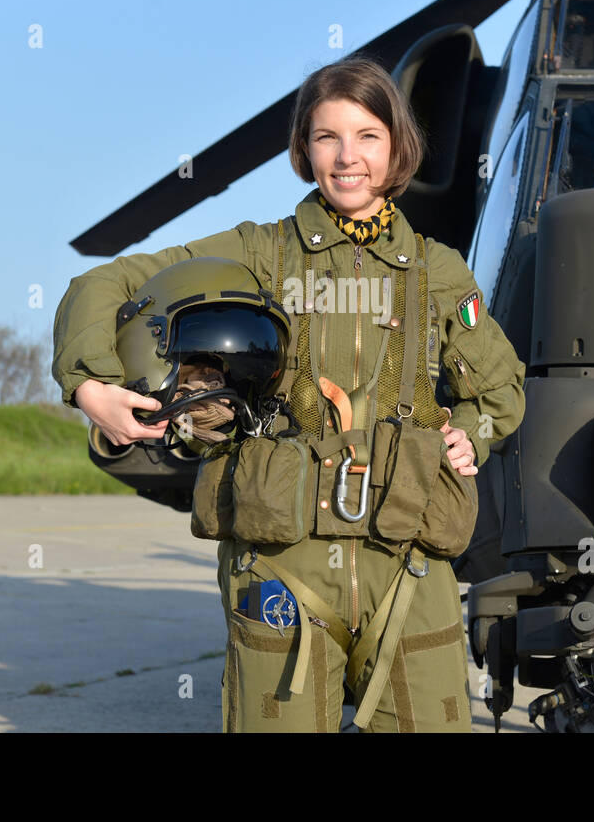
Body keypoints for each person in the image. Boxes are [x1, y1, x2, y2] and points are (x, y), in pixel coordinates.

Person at [52, 55, 526, 732]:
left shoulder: (438, 270)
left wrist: (471, 432)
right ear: (304, 149)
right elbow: (108, 282)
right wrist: (89, 385)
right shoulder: (260, 252)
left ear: (397, 147)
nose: (347, 157)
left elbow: (502, 388)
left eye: (367, 136)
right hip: (282, 568)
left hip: (409, 572)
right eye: (326, 137)